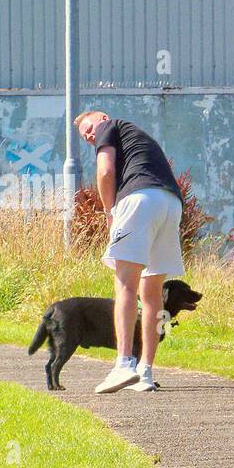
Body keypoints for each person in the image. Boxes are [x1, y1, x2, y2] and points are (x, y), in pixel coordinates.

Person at [73, 110, 185, 394]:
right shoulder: (136, 137)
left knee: (124, 284)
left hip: (138, 200)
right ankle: (145, 372)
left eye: (89, 127)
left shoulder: (109, 126)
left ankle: (123, 363)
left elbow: (105, 171)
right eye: (84, 135)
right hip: (170, 204)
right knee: (152, 295)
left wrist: (110, 212)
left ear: (103, 118)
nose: (89, 135)